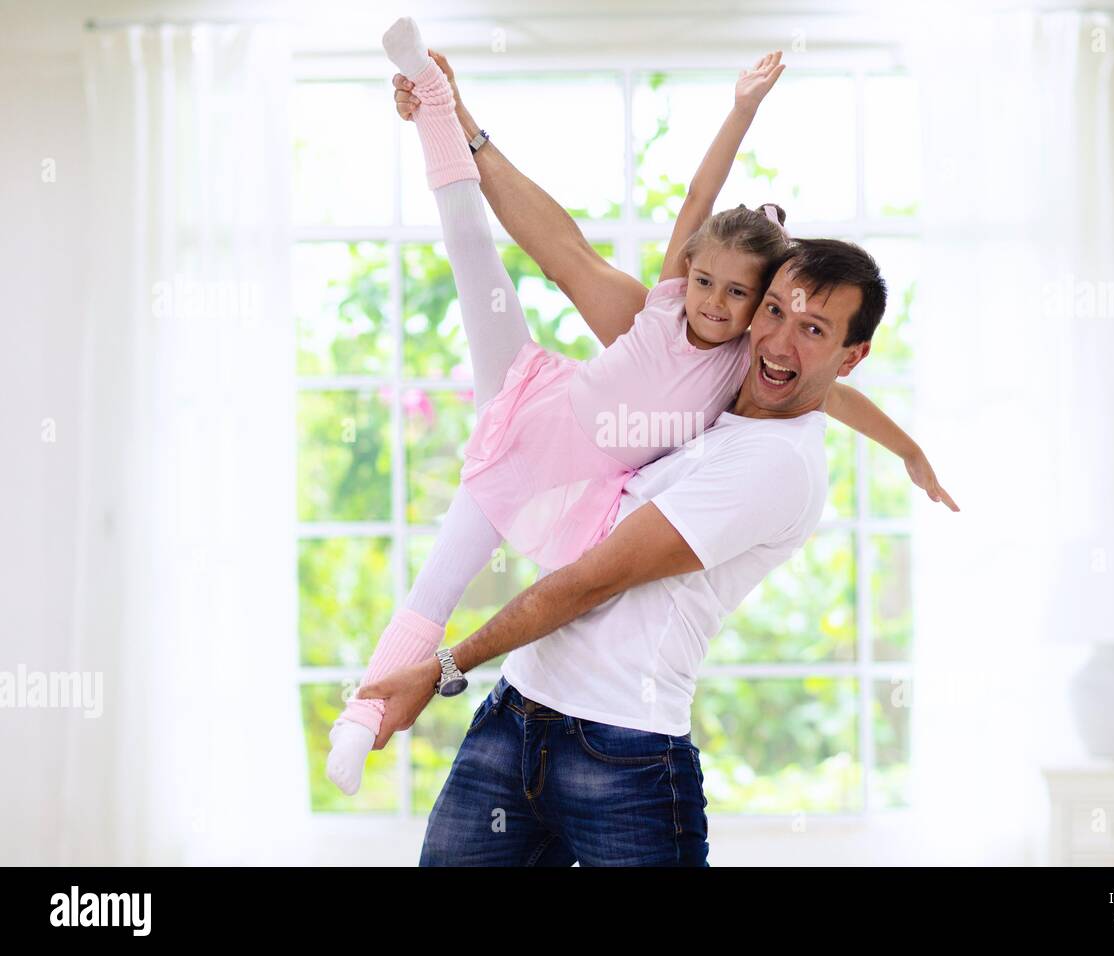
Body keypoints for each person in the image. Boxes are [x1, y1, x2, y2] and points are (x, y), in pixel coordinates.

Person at [327, 18, 957, 802]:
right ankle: (430, 92)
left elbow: (838, 399)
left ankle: (362, 721)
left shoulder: (742, 369)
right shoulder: (660, 306)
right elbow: (648, 217)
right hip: (530, 398)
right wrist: (739, 110)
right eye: (711, 284)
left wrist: (906, 448)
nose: (724, 307)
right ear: (689, 269)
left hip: (548, 496)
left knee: (435, 592)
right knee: (472, 252)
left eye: (744, 297)